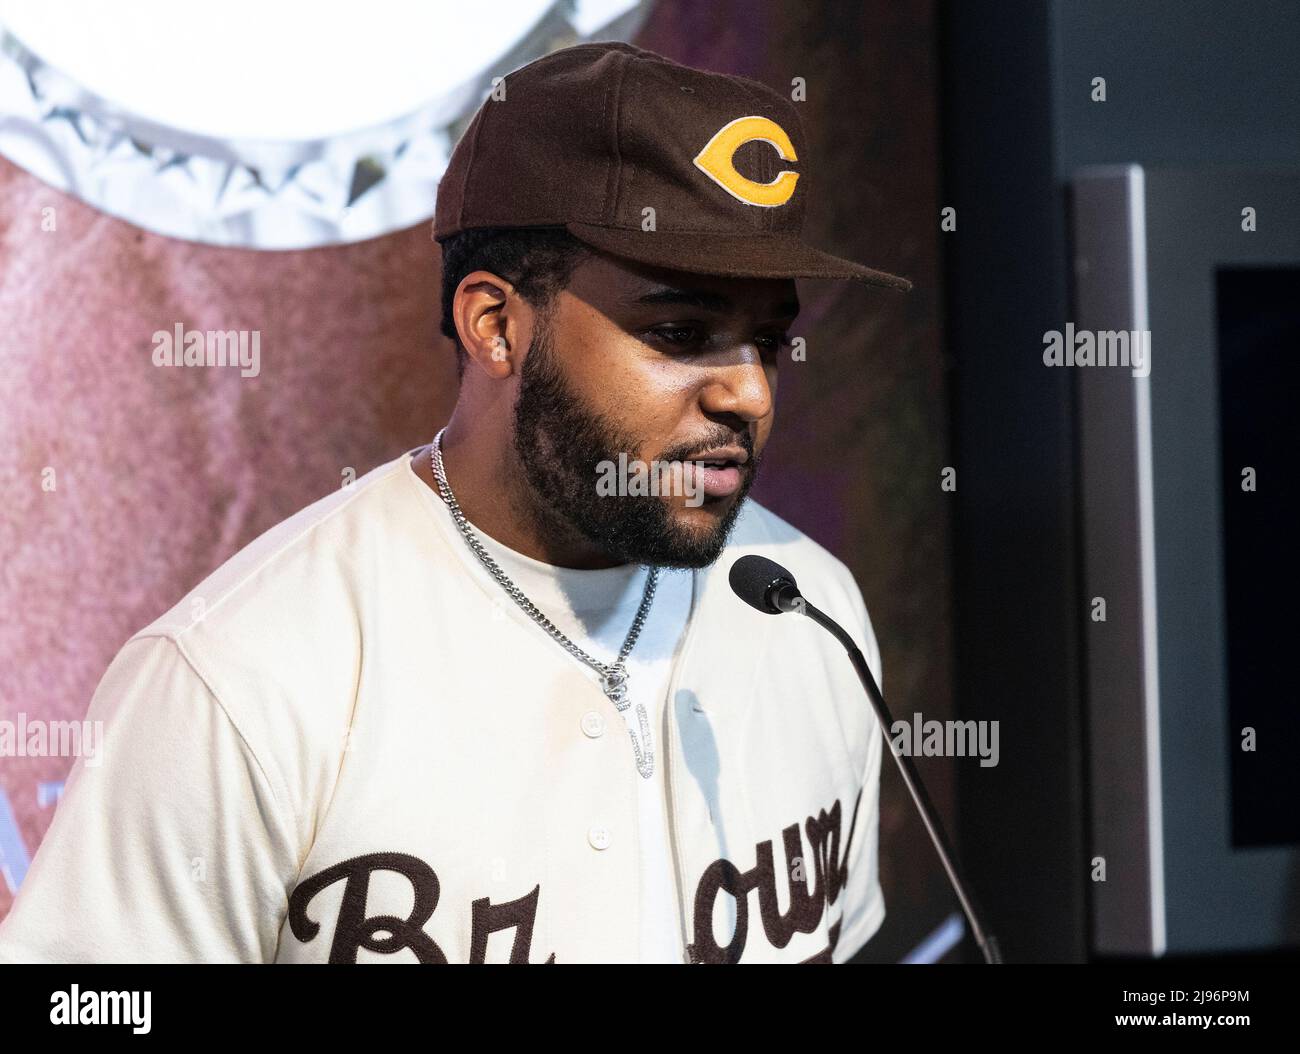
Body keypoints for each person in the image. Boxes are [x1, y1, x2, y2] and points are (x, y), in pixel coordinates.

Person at [0, 40, 909, 964]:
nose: (748, 395)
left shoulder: (810, 609)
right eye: (680, 332)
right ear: (496, 326)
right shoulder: (239, 679)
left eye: (768, 342)